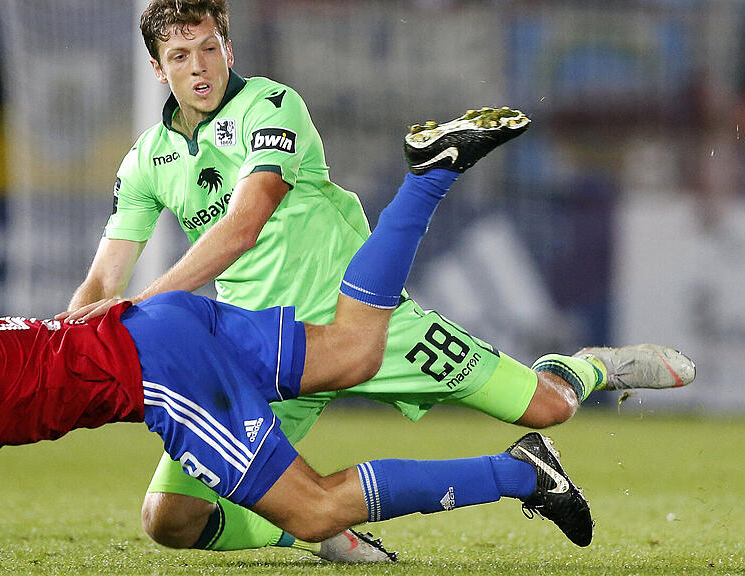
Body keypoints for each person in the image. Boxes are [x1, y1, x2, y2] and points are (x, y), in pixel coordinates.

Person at [0, 118, 616, 569]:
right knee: (352, 349)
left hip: (162, 370)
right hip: (170, 329)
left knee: (311, 512)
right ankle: (428, 175)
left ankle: (520, 474)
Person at [63, 0, 696, 562]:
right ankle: (310, 530)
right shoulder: (146, 161)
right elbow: (100, 281)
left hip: (362, 321)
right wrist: (59, 350)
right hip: (263, 349)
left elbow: (243, 226)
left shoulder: (271, 107)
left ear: (228, 47)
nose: (199, 67)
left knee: (548, 407)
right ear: (158, 69)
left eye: (209, 48)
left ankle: (588, 367)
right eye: (180, 56)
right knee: (170, 520)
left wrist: (144, 309)